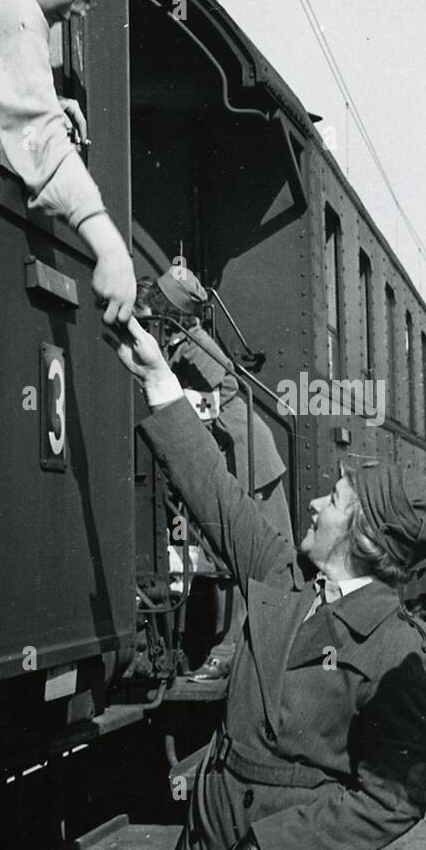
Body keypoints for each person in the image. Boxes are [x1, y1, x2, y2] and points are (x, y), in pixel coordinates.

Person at [113, 317, 426, 850]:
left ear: (361, 538)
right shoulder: (282, 577)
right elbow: (218, 497)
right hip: (209, 848)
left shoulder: (398, 652)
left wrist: (276, 849)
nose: (319, 503)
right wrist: (158, 381)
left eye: (336, 500)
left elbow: (394, 800)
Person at [136, 266, 293, 680]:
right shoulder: (182, 342)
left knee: (239, 554)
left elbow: (204, 412)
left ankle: (233, 649)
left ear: (168, 312)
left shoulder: (194, 348)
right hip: (233, 453)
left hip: (244, 457)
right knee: (224, 554)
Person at [0, 0, 137, 323]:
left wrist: (48, 101)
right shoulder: (18, 8)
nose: (78, 11)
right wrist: (111, 249)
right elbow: (40, 142)